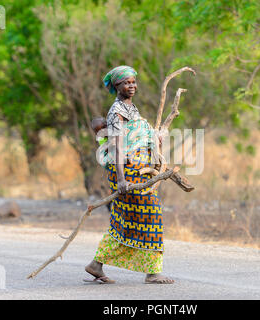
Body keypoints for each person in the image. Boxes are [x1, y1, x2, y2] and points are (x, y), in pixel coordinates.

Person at [84, 65, 174, 284]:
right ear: (117, 86)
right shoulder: (117, 112)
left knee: (125, 218)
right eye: (126, 83)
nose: (131, 86)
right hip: (127, 171)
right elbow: (117, 146)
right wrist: (122, 180)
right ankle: (152, 272)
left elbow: (138, 136)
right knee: (151, 215)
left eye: (133, 82)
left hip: (138, 169)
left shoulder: (131, 108)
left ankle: (97, 265)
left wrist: (155, 138)